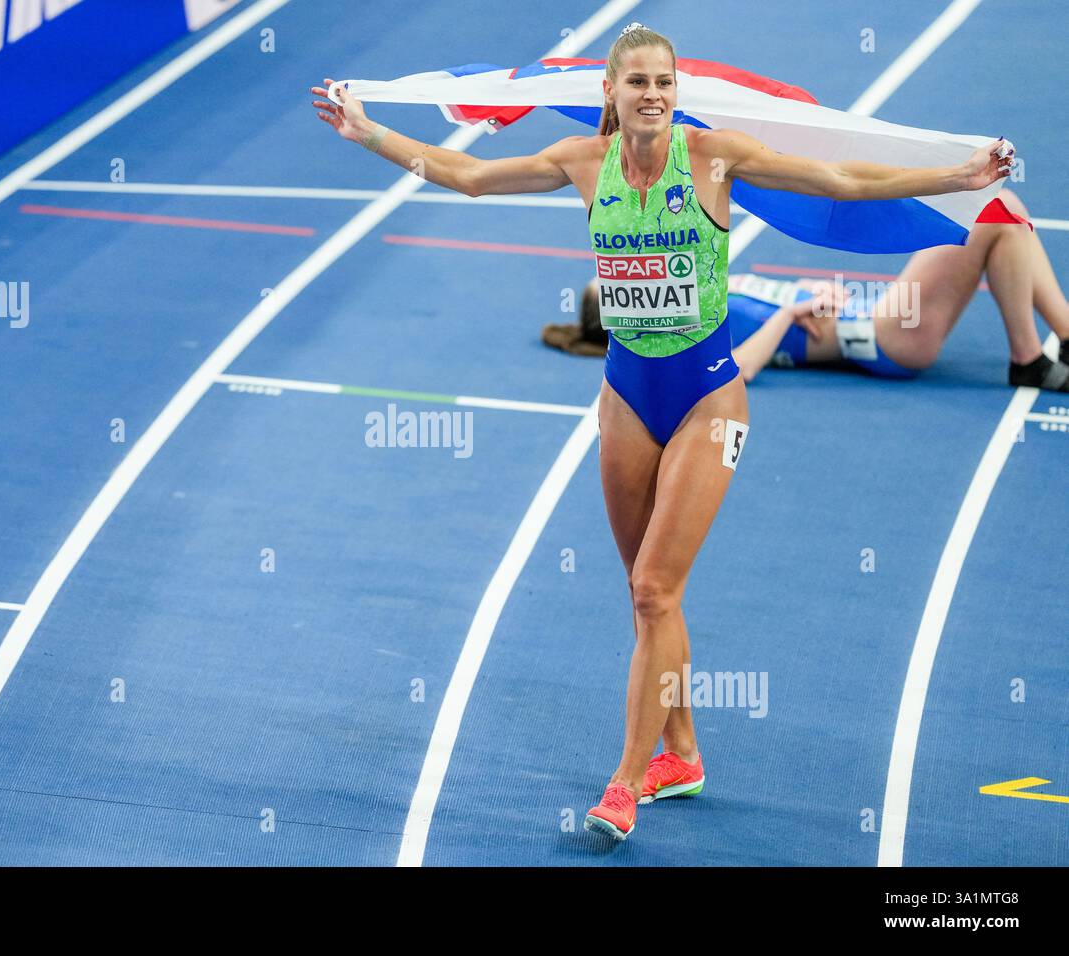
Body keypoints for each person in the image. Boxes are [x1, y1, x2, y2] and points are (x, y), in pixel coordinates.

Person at [311, 22, 1014, 842]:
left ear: (677, 92)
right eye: (637, 81)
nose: (653, 95)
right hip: (626, 397)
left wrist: (956, 175)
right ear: (608, 92)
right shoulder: (584, 164)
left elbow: (838, 179)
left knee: (653, 589)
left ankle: (624, 783)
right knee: (648, 597)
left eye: (664, 82)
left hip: (709, 398)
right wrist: (370, 135)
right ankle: (680, 749)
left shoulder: (713, 157)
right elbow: (467, 175)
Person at [546, 190, 1069, 390]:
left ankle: (1056, 342)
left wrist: (802, 291)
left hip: (876, 313)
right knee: (989, 211)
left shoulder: (695, 293)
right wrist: (790, 313)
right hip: (885, 335)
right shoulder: (688, 333)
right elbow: (740, 370)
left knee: (1009, 211)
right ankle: (1029, 358)